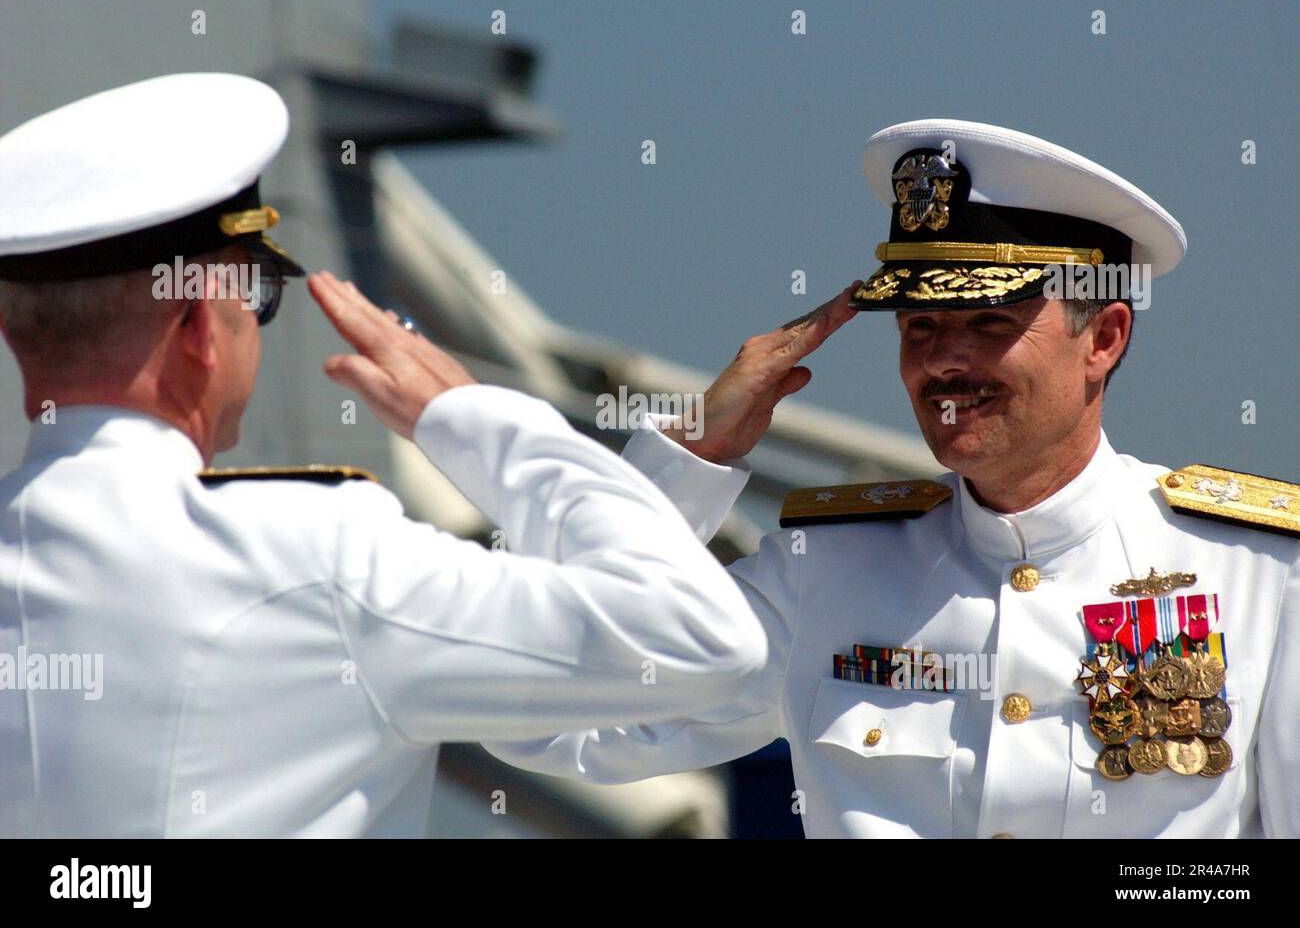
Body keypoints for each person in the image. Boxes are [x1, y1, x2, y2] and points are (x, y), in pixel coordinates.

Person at [0, 73, 765, 837]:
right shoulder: (323, 560)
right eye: (257, 294)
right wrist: (474, 418)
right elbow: (697, 635)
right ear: (200, 326)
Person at [487, 119, 1299, 838]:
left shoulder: (1263, 575)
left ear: (1105, 338)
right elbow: (542, 711)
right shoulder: (823, 578)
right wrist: (687, 462)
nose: (945, 360)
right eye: (920, 325)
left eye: (987, 321)